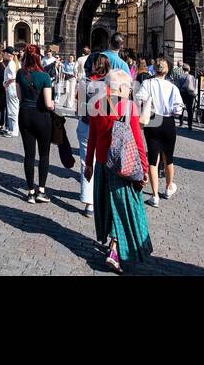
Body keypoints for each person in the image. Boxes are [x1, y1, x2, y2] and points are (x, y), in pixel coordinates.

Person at [84, 68, 154, 273]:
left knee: (110, 205)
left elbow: (93, 139)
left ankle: (114, 246)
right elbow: (138, 141)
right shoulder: (128, 107)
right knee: (123, 207)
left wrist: (89, 163)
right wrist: (143, 169)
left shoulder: (96, 105)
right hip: (124, 167)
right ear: (122, 88)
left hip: (103, 164)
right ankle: (115, 250)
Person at [138, 58, 184, 207]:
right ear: (166, 71)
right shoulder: (172, 87)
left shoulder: (147, 83)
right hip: (168, 121)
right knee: (168, 157)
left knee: (153, 159)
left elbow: (139, 98)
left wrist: (148, 105)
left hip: (152, 120)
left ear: (154, 69)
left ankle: (155, 195)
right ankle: (169, 187)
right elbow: (178, 108)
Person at [16, 45, 55, 202]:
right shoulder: (44, 76)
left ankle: (31, 192)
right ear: (39, 58)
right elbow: (47, 104)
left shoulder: (20, 74)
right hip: (41, 117)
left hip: (25, 114)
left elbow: (19, 97)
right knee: (44, 154)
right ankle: (42, 191)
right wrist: (52, 103)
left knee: (29, 154)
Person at [76, 52, 109, 215]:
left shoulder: (84, 82)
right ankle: (103, 196)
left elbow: (80, 109)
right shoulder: (110, 83)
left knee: (86, 162)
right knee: (104, 162)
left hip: (87, 125)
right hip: (105, 127)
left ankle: (89, 202)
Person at [2, 47, 21, 137]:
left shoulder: (12, 64)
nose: (3, 54)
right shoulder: (13, 63)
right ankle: (11, 128)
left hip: (11, 88)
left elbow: (13, 77)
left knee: (13, 109)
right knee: (11, 108)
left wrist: (6, 83)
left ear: (9, 54)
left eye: (5, 53)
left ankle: (14, 130)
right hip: (12, 88)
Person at [173, 62, 196, 130]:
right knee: (190, 110)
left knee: (181, 108)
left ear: (183, 69)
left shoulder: (179, 76)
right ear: (188, 69)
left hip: (181, 93)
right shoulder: (191, 77)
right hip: (189, 94)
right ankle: (190, 125)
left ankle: (181, 122)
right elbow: (194, 86)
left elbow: (177, 85)